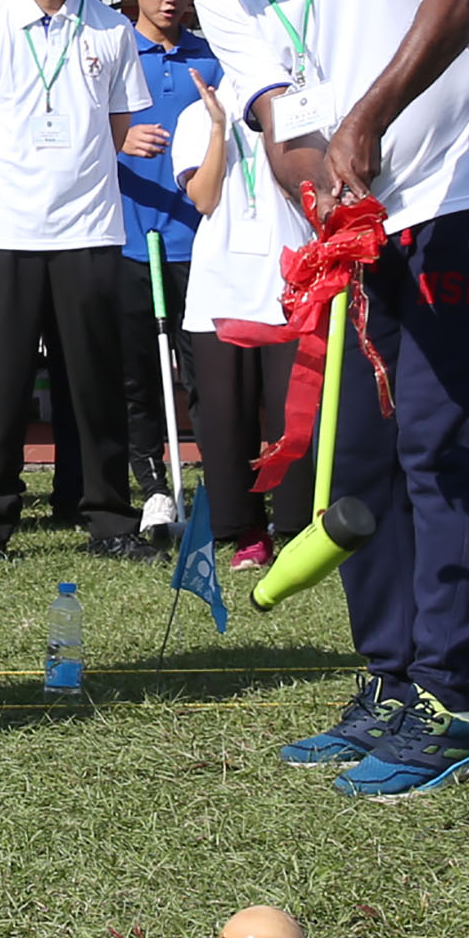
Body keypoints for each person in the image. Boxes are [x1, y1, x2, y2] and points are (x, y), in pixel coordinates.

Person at [173, 0, 469, 798]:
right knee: (364, 457)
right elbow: (280, 129)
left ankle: (454, 700)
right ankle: (390, 680)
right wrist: (318, 191)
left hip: (468, 192)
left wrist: (369, 118)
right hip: (359, 228)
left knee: (444, 442)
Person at [0, 0, 153, 564]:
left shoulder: (111, 28)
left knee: (97, 383)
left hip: (92, 229)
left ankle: (109, 518)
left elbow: (119, 123)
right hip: (8, 232)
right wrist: (7, 193)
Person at [170, 70, 314, 569]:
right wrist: (216, 129)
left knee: (293, 416)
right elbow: (204, 198)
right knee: (225, 417)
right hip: (222, 287)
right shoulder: (197, 114)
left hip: (291, 280)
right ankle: (244, 530)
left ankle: (296, 527)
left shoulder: (301, 106)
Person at [114, 0, 219, 538]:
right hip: (130, 244)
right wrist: (117, 139)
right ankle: (154, 486)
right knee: (137, 380)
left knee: (205, 374)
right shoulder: (112, 53)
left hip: (201, 245)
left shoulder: (211, 58)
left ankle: (219, 481)